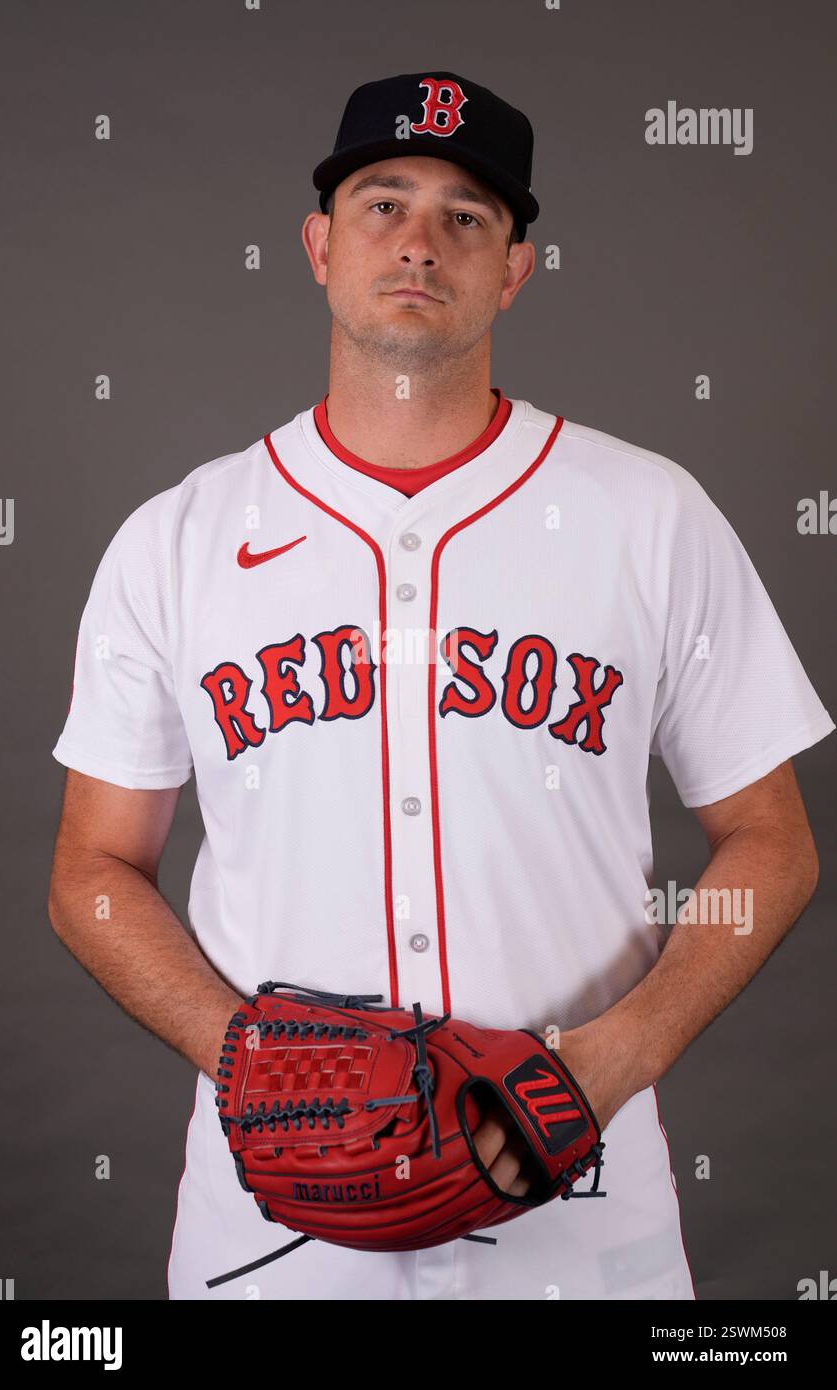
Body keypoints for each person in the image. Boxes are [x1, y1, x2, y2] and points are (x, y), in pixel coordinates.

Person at [48, 71, 833, 1301]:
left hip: (582, 1225)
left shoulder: (648, 515)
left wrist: (606, 1063)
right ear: (317, 245)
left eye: (467, 215)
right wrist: (246, 1058)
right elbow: (89, 870)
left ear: (514, 268)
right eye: (383, 202)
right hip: (268, 1239)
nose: (419, 241)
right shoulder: (179, 537)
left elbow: (769, 844)